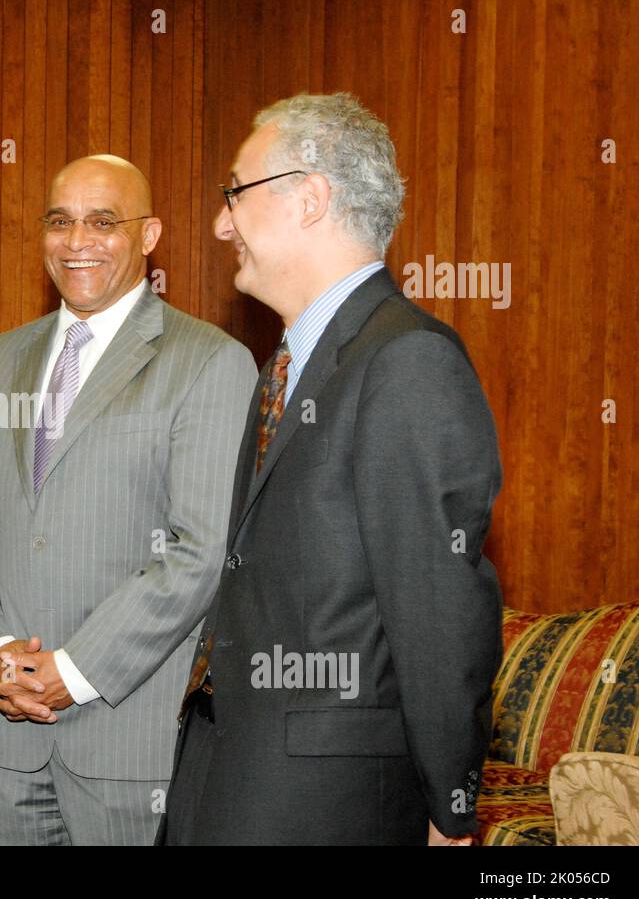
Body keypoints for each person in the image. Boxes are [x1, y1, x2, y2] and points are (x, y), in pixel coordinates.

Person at [162, 92, 503, 845]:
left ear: (311, 198)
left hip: (324, 802)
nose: (222, 223)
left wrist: (451, 805)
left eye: (235, 193)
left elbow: (438, 606)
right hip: (222, 775)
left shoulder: (408, 361)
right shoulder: (284, 366)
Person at [0, 155, 258, 845]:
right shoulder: (0, 357)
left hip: (127, 741)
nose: (76, 239)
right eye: (60, 220)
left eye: (103, 221)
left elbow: (198, 553)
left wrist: (72, 672)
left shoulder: (210, 361)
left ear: (149, 236)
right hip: (4, 733)